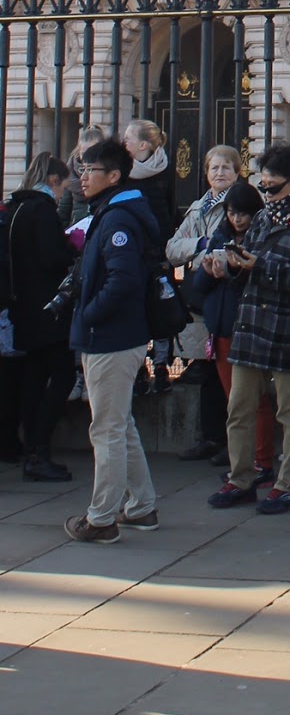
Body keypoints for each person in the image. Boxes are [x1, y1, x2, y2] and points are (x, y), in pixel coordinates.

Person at [209, 144, 290, 514]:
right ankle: (241, 478)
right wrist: (230, 266)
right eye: (263, 185)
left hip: (289, 325)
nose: (266, 193)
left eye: (273, 186)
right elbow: (249, 262)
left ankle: (288, 485)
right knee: (239, 406)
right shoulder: (265, 216)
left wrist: (259, 266)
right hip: (253, 322)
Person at [64, 137, 159, 542]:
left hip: (111, 337)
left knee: (106, 430)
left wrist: (89, 314)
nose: (83, 177)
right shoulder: (110, 212)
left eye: (91, 170)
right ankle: (141, 506)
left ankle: (101, 518)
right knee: (120, 425)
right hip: (114, 335)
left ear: (115, 176)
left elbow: (122, 281)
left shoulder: (118, 219)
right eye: (82, 169)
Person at [188, 179, 276, 484]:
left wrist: (236, 270)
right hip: (222, 328)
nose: (237, 219)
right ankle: (243, 459)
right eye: (232, 213)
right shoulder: (220, 237)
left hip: (248, 328)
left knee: (256, 399)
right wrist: (209, 270)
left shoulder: (261, 237)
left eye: (243, 213)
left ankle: (262, 460)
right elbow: (199, 288)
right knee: (234, 400)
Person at [167, 144, 242, 461]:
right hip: (201, 291)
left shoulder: (239, 204)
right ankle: (211, 436)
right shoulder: (198, 206)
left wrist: (207, 252)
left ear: (237, 172)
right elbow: (172, 249)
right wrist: (201, 244)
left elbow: (231, 249)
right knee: (208, 367)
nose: (220, 173)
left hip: (226, 290)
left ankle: (232, 442)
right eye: (214, 168)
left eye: (226, 167)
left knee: (230, 369)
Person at [7, 153, 76, 481]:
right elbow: (51, 258)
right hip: (47, 309)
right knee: (62, 375)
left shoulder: (17, 207)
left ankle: (33, 451)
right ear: (53, 180)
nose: (62, 195)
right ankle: (39, 449)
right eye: (63, 187)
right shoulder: (43, 209)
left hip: (23, 307)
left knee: (34, 378)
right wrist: (72, 246)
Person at [124, 119, 173, 394]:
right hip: (134, 251)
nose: (124, 142)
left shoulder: (165, 170)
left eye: (128, 138)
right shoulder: (123, 171)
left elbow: (170, 210)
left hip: (158, 253)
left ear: (143, 145)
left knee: (162, 311)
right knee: (137, 312)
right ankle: (139, 367)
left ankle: (162, 364)